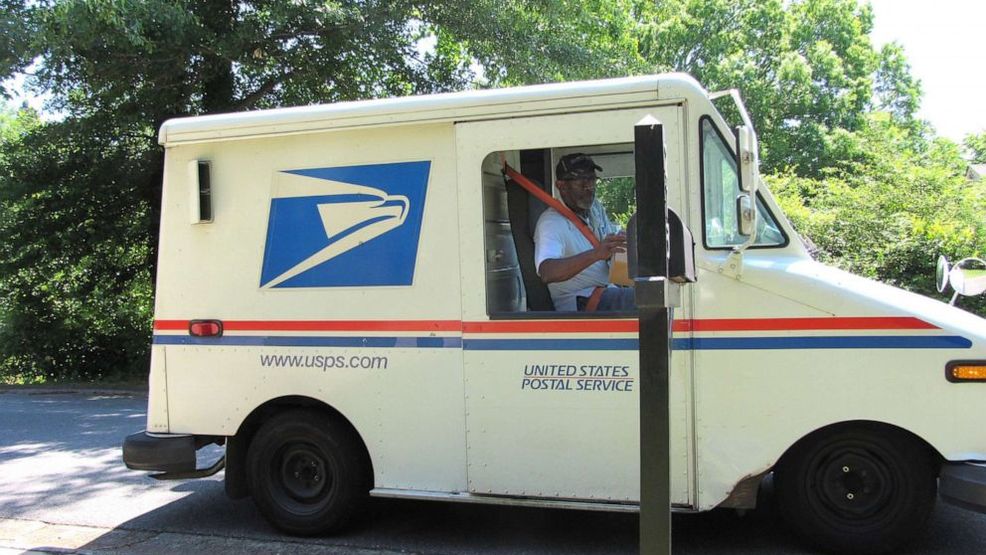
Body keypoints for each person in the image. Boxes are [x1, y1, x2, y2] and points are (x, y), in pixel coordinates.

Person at [533, 153, 635, 311]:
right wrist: (596, 253)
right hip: (582, 300)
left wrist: (621, 244)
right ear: (561, 186)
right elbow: (547, 272)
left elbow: (609, 253)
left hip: (609, 290)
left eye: (592, 180)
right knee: (645, 301)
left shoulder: (595, 208)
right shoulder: (551, 223)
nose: (589, 187)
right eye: (581, 181)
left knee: (654, 292)